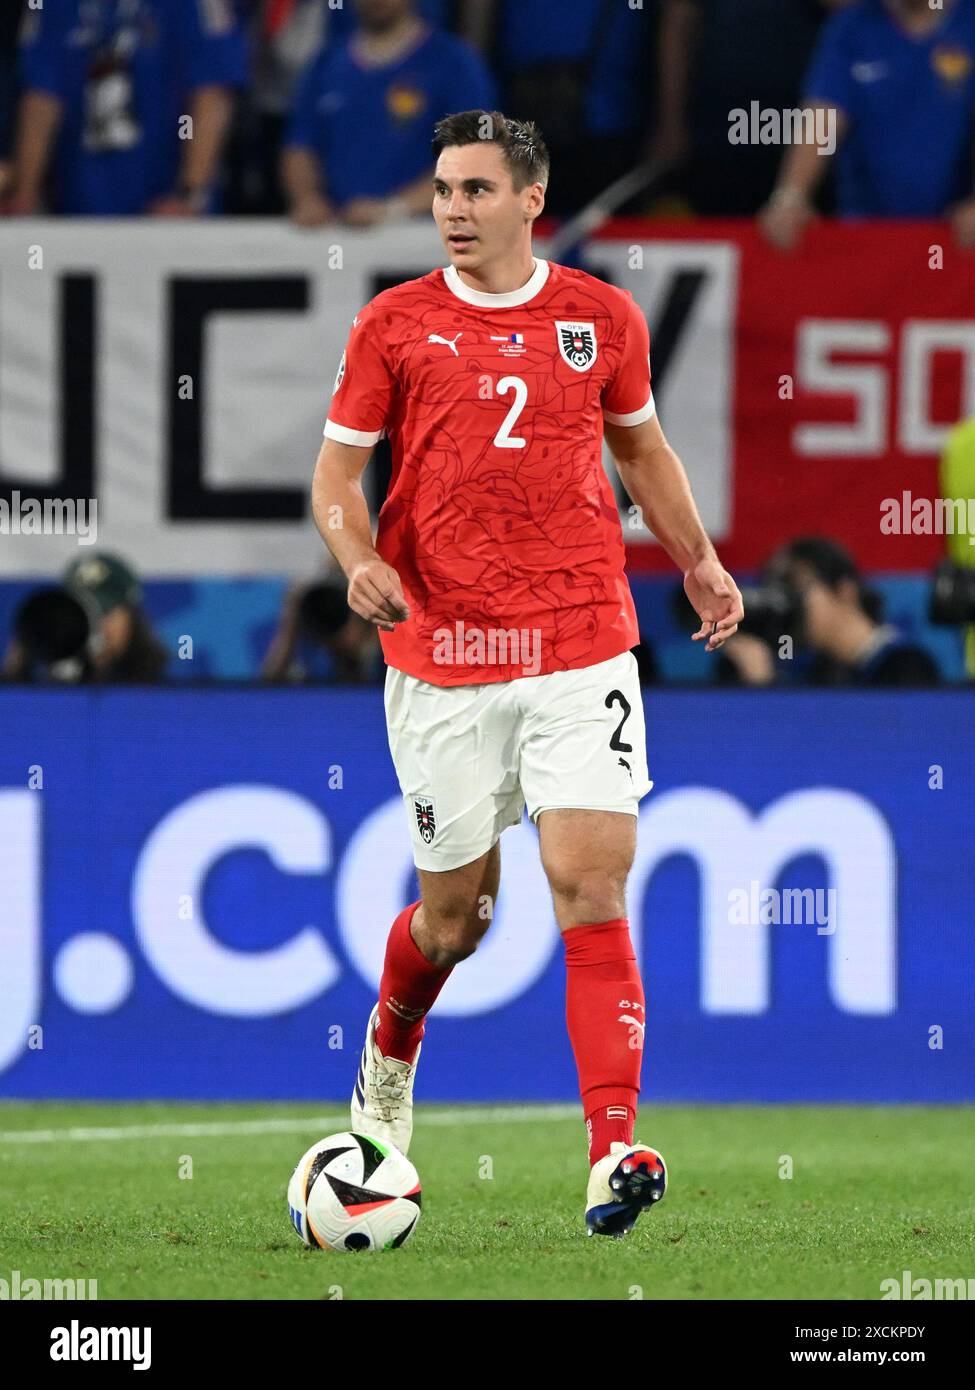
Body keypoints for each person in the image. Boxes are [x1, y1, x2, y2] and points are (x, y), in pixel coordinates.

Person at [310, 109, 744, 1237]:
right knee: (457, 922)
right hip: (444, 653)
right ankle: (386, 1068)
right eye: (444, 190)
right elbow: (333, 481)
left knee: (591, 886)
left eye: (475, 190)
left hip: (580, 639)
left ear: (529, 200)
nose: (452, 209)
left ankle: (613, 1149)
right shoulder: (393, 326)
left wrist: (695, 561)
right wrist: (357, 558)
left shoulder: (599, 318)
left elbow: (642, 449)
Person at [761, 0, 975, 249]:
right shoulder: (853, 26)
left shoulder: (968, 22)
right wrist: (791, 195)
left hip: (954, 240)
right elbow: (823, 118)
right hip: (866, 235)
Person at [8, 0, 248, 216]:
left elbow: (211, 92)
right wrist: (26, 191)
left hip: (167, 203)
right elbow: (41, 96)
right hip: (80, 200)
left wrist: (191, 194)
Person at [282, 0, 495, 227]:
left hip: (426, 237)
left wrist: (396, 208)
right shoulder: (326, 64)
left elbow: (476, 156)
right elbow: (300, 147)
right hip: (338, 236)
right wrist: (308, 199)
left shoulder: (455, 63)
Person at [766, 537, 940, 685]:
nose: (787, 605)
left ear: (845, 590)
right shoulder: (814, 672)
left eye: (795, 589)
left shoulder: (907, 665)